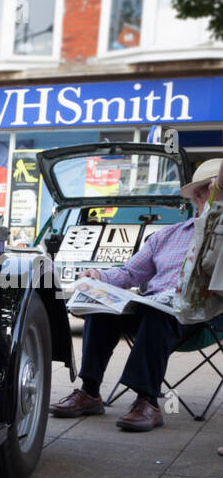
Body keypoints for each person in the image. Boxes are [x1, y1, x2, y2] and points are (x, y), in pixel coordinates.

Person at [50, 157, 222, 432]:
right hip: (159, 308)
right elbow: (131, 274)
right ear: (199, 196)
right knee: (102, 306)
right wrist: (99, 277)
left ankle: (147, 401)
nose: (216, 198)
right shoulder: (168, 235)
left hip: (205, 315)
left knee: (158, 311)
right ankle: (90, 391)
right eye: (214, 190)